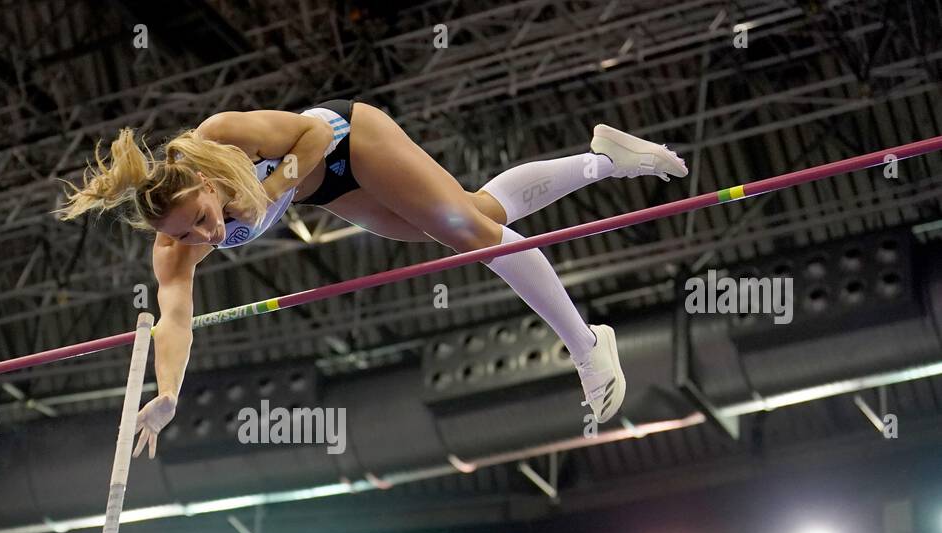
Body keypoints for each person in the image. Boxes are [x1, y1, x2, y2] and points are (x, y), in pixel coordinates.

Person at [58, 99, 686, 457]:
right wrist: (168, 392)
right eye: (188, 234)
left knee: (465, 233)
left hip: (350, 137)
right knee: (479, 214)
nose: (206, 238)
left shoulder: (220, 138)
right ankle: (604, 159)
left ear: (200, 183)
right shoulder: (172, 248)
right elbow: (173, 318)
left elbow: (311, 130)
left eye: (202, 217)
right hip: (330, 187)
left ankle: (586, 345)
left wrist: (271, 185)